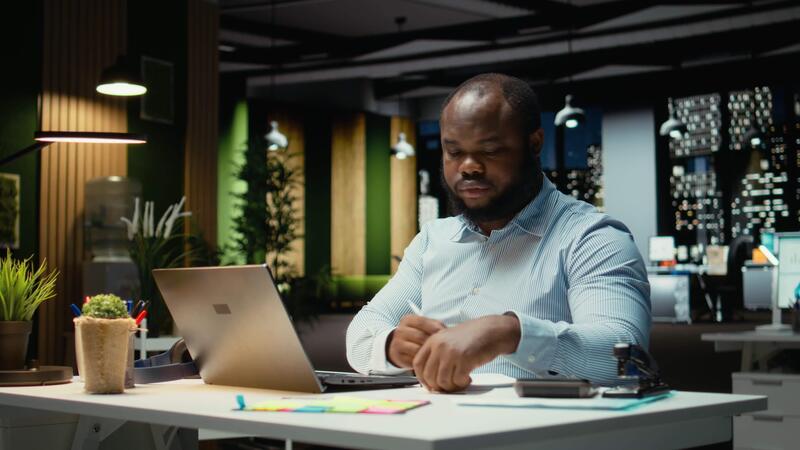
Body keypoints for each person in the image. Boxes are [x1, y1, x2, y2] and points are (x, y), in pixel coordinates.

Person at [346, 73, 650, 393]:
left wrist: (509, 333)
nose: (468, 167)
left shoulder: (593, 237)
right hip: (432, 421)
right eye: (454, 152)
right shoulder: (431, 241)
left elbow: (626, 355)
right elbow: (361, 334)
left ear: (534, 144)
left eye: (489, 151)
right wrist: (392, 345)